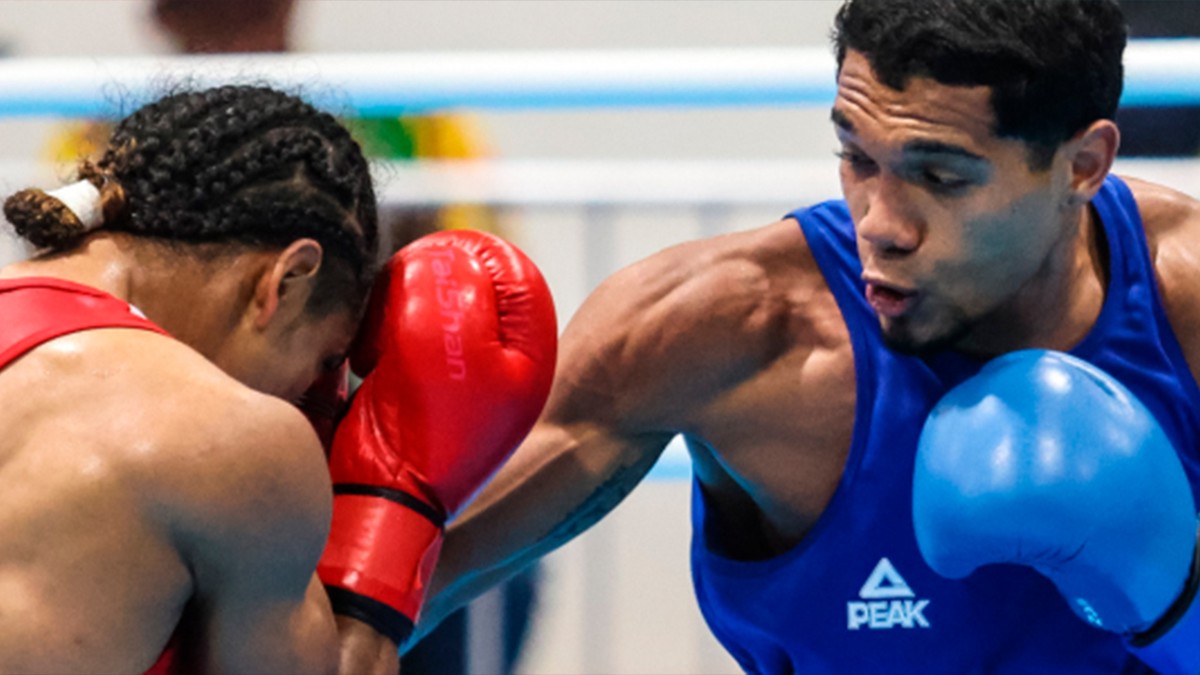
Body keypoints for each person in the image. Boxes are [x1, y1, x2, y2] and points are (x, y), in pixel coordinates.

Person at [326, 0, 1200, 672]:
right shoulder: (728, 332)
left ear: (1083, 165)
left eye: (940, 176)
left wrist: (1179, 607)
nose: (880, 223)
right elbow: (358, 625)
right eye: (856, 157)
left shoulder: (1184, 303)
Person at [0, 83, 558, 673]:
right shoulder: (234, 438)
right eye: (324, 363)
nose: (311, 398)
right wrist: (395, 505)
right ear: (288, 280)